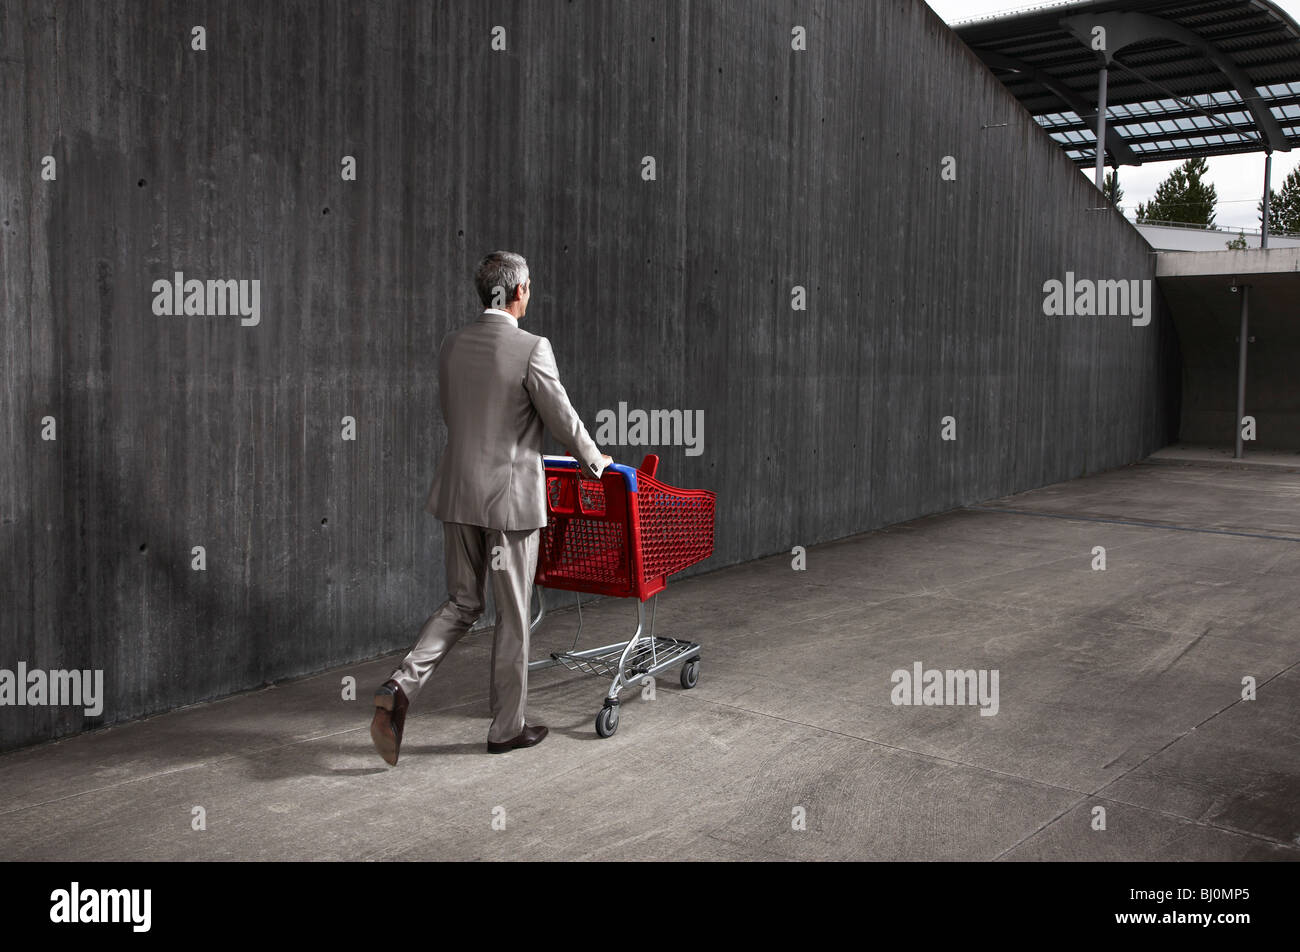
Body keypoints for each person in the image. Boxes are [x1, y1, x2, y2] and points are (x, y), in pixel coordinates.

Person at [370, 251, 611, 765]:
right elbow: (562, 418)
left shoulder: (451, 345)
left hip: (457, 494)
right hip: (508, 504)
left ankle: (400, 685)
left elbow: (456, 414)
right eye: (530, 287)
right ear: (518, 291)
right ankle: (506, 728)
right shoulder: (531, 348)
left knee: (461, 603)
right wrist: (596, 462)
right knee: (514, 616)